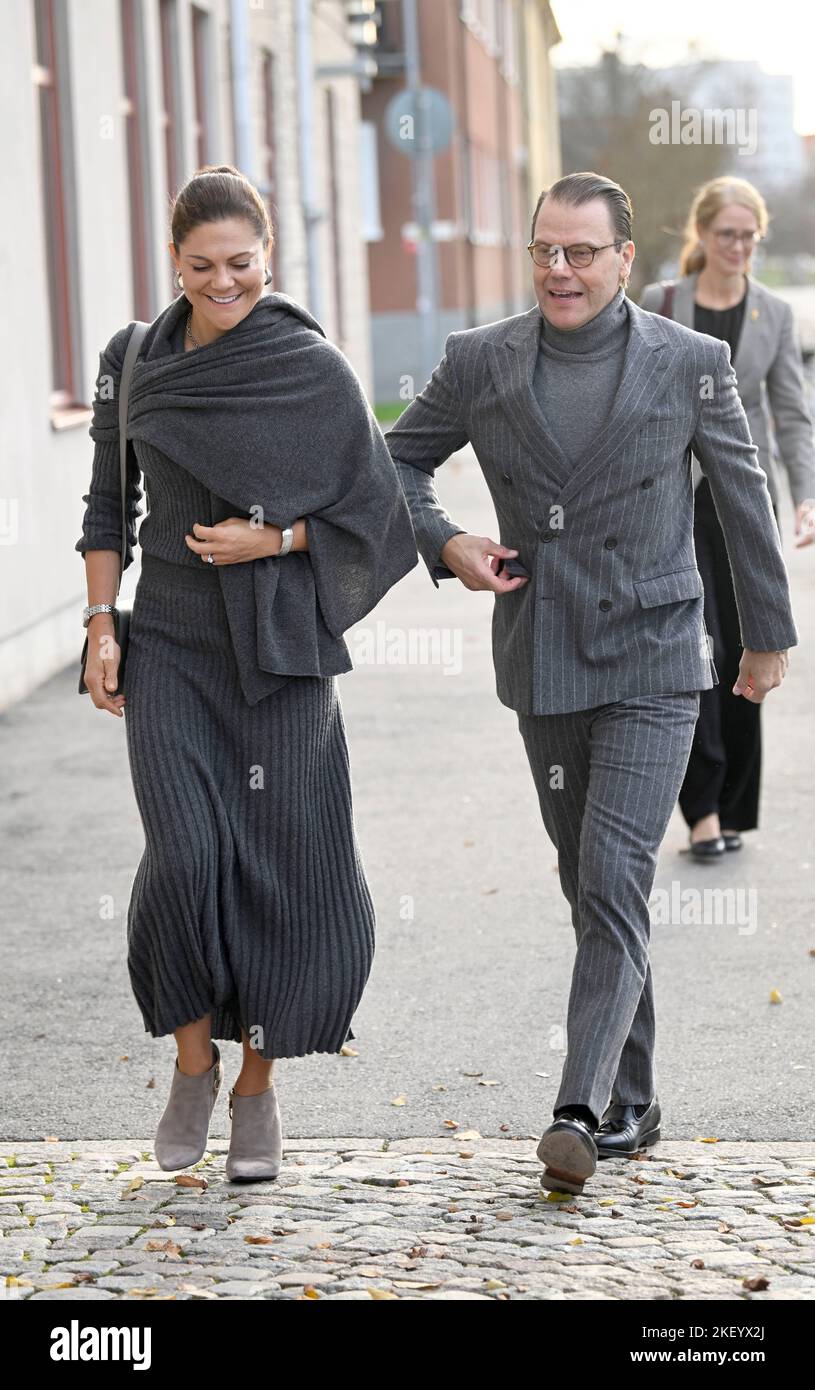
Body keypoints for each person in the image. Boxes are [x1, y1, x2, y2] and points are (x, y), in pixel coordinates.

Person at [385, 171, 798, 1196]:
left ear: (625, 259)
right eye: (544, 251)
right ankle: (636, 1097)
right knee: (588, 882)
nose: (559, 269)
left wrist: (764, 635)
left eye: (581, 251)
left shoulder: (690, 363)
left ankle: (576, 1105)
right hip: (544, 651)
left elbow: (741, 499)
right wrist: (451, 541)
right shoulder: (478, 360)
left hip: (658, 653)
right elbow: (391, 465)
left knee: (613, 874)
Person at [76, 164, 417, 1182]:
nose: (223, 282)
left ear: (267, 258)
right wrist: (101, 622)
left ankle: (256, 1090)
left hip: (277, 655)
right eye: (201, 266)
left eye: (240, 264)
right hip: (170, 643)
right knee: (184, 858)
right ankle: (192, 1065)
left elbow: (377, 517)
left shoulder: (311, 366)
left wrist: (275, 542)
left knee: (286, 876)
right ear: (170, 262)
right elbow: (107, 509)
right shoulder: (132, 360)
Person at [640, 177, 815, 860]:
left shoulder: (773, 314)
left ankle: (734, 806)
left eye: (747, 236)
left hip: (744, 506)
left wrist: (805, 493)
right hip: (672, 505)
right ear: (701, 235)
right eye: (725, 235)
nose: (738, 247)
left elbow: (792, 417)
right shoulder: (662, 304)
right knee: (694, 649)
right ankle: (702, 812)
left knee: (750, 648)